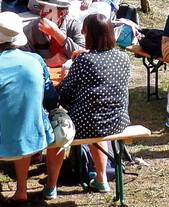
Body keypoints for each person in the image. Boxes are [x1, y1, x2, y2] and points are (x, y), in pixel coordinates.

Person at [0, 11, 55, 206]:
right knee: (20, 122)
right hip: (33, 135)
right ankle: (21, 190)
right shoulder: (37, 61)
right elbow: (50, 98)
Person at [48, 13, 131, 192]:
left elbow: (64, 95)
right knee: (95, 118)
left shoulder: (84, 61)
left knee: (57, 128)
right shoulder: (123, 58)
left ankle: (51, 187)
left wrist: (65, 77)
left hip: (90, 123)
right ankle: (101, 178)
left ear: (90, 35)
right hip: (118, 120)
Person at [25, 0, 86, 67]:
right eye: (41, 7)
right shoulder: (31, 29)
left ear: (61, 14)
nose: (41, 13)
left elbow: (85, 56)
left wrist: (57, 34)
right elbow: (21, 57)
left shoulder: (74, 26)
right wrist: (46, 62)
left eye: (48, 10)